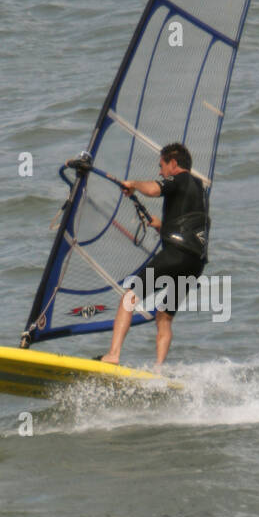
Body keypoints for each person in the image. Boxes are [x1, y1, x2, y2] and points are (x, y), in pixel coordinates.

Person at [99, 142, 208, 367]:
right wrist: (162, 225)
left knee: (129, 298)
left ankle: (113, 355)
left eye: (162, 166)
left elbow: (153, 189)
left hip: (175, 255)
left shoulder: (178, 179)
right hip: (195, 262)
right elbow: (187, 222)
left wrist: (134, 185)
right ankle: (158, 370)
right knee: (164, 316)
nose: (160, 171)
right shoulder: (199, 188)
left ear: (173, 164)